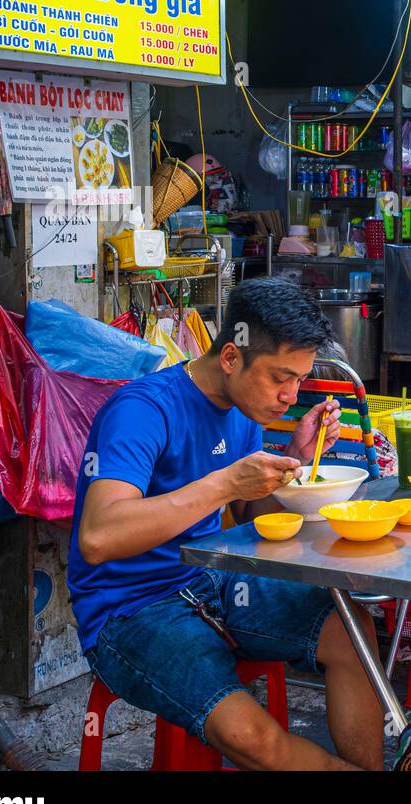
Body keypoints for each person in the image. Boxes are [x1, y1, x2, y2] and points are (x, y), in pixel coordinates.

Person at [67, 278, 384, 770]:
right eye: (280, 377)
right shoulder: (142, 410)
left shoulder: (242, 408)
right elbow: (98, 537)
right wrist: (225, 483)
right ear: (232, 358)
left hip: (209, 580)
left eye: (299, 379)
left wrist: (292, 464)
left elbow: (244, 520)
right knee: (248, 735)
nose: (289, 395)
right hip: (130, 609)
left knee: (353, 634)